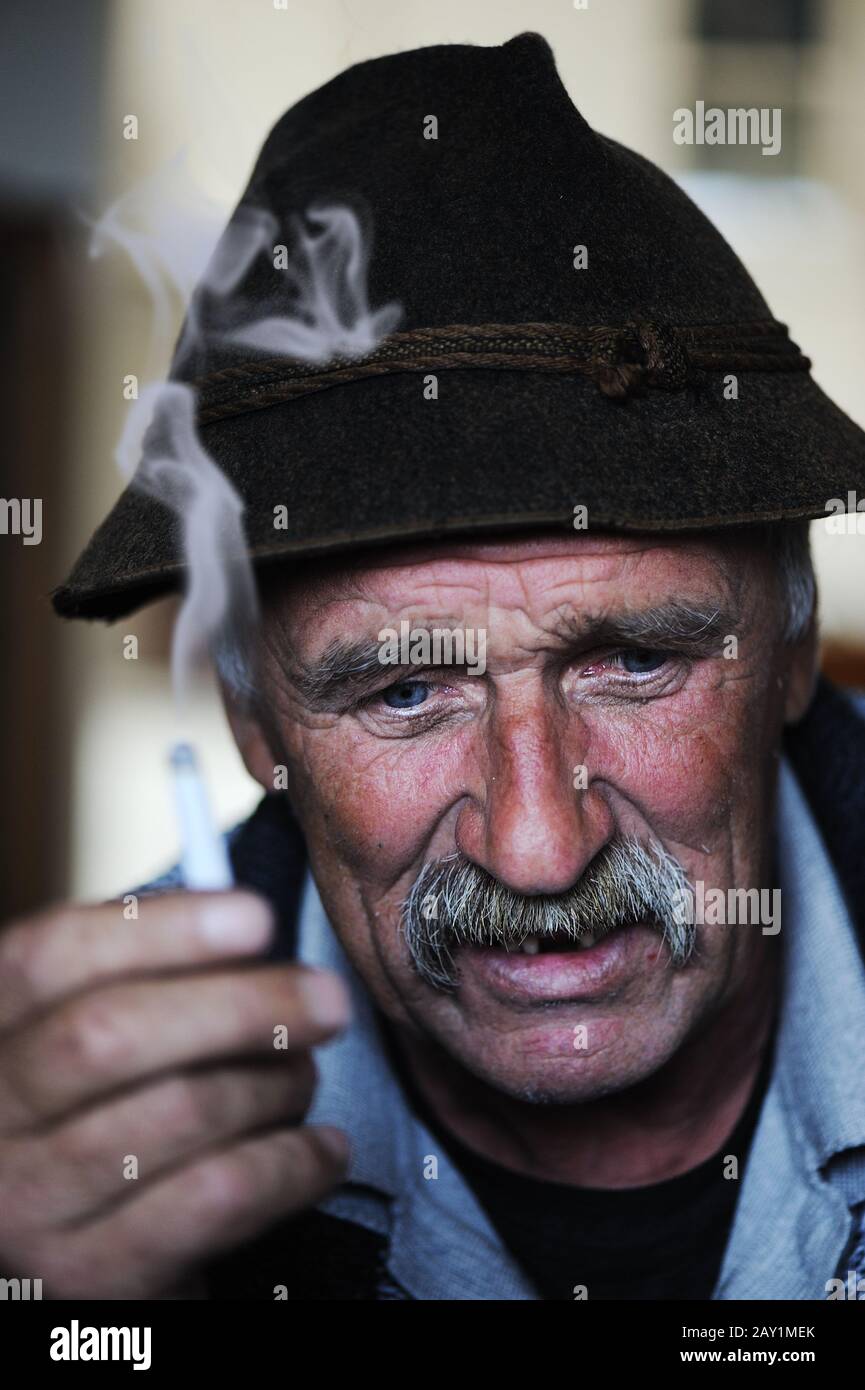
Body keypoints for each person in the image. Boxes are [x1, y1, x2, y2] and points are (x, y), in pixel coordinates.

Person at [3, 32, 864, 1300]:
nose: (539, 850)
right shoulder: (79, 1176)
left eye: (634, 661)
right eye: (403, 692)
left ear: (790, 651)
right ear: (254, 723)